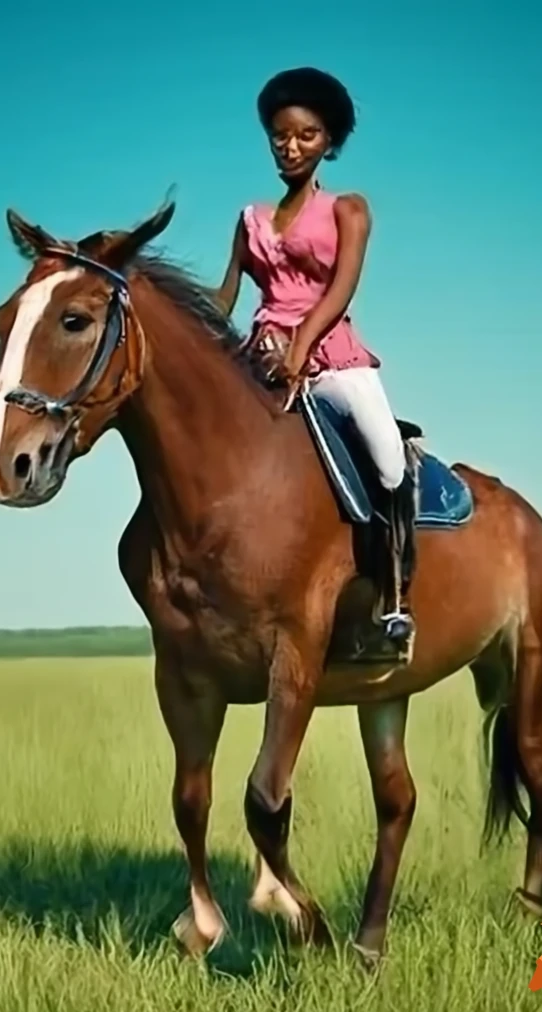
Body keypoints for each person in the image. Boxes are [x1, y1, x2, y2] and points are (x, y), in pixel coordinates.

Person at [210, 65, 416, 663]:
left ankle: (393, 597)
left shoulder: (349, 210)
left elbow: (341, 289)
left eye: (305, 135)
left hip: (332, 357)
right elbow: (223, 300)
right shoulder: (249, 220)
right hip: (262, 358)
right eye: (280, 135)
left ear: (328, 143)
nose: (290, 146)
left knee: (387, 454)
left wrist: (300, 348)